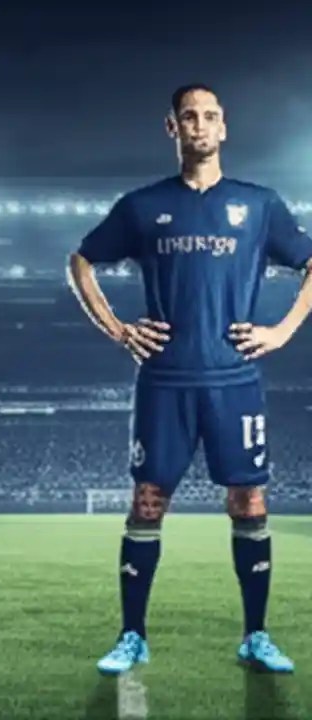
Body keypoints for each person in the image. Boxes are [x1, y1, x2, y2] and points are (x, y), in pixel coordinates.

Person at [68, 84, 312, 675]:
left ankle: (255, 635)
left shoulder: (258, 205)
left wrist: (282, 330)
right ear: (172, 129)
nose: (200, 124)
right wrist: (119, 329)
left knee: (249, 501)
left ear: (224, 128)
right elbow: (79, 260)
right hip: (165, 381)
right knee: (147, 503)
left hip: (235, 381)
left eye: (210, 116)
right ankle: (132, 637)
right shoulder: (141, 206)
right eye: (188, 117)